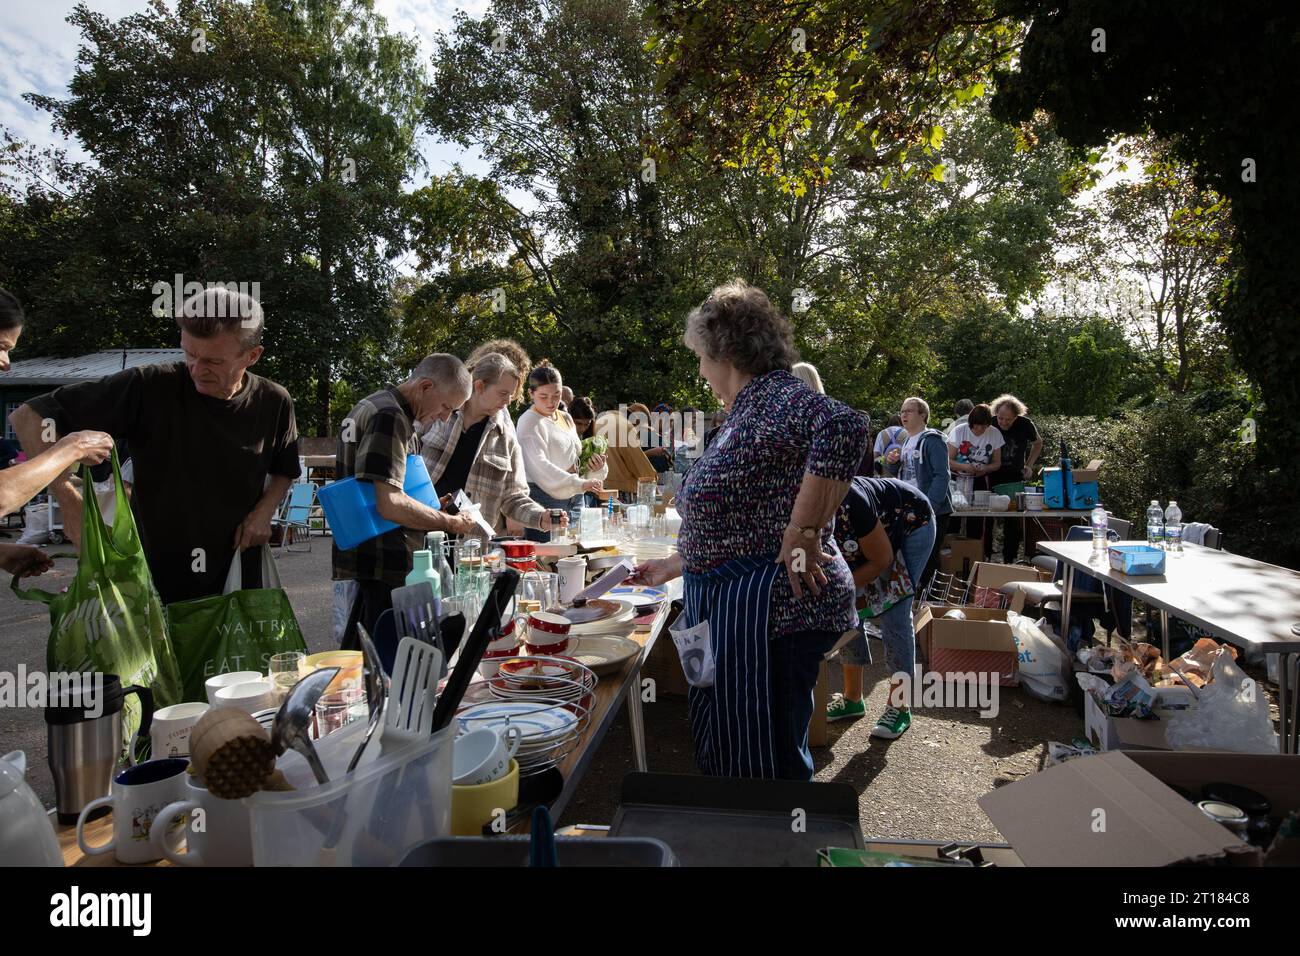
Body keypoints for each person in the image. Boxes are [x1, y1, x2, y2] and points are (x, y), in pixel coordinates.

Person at [628, 280, 869, 781]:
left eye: (699, 357)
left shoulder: (775, 400)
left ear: (724, 352)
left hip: (772, 613)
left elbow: (845, 426)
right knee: (742, 755)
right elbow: (746, 517)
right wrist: (676, 564)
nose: (699, 371)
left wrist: (804, 530)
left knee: (770, 764)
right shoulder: (748, 412)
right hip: (740, 610)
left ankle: (780, 848)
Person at [13, 287, 299, 604]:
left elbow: (284, 468)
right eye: (189, 353)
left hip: (239, 577)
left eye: (213, 361)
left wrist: (265, 511)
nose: (196, 369)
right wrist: (68, 501)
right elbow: (29, 416)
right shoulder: (148, 386)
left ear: (252, 355)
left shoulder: (274, 401)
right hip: (151, 581)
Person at [334, 354, 480, 648]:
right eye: (446, 407)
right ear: (425, 386)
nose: (444, 417)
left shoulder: (374, 404)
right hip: (382, 567)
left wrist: (429, 505)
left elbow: (376, 489)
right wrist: (450, 522)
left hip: (366, 563)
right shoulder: (390, 417)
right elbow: (389, 504)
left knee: (365, 659)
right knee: (386, 668)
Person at [825, 476, 936, 739]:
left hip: (911, 522)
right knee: (846, 608)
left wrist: (842, 590)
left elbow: (882, 559)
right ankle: (853, 699)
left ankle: (900, 706)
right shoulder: (793, 504)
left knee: (894, 612)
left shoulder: (850, 500)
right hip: (865, 537)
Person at [421, 351, 565, 540]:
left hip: (471, 550)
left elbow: (513, 497)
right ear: (479, 386)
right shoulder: (437, 414)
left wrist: (540, 517)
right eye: (503, 393)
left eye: (511, 396)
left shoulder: (506, 437)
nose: (507, 402)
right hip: (420, 537)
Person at [516, 363, 606, 542]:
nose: (551, 402)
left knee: (576, 556)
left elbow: (577, 457)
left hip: (576, 498)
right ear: (531, 394)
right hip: (546, 503)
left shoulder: (565, 417)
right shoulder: (528, 422)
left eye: (556, 396)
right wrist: (579, 482)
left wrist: (595, 466)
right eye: (543, 396)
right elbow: (540, 466)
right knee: (549, 560)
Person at [897, 396, 952, 589]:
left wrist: (930, 506)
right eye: (902, 411)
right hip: (910, 509)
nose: (904, 415)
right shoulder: (906, 441)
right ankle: (916, 598)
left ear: (923, 415)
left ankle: (930, 601)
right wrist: (890, 462)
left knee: (929, 556)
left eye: (909, 411)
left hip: (932, 509)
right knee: (911, 555)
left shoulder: (932, 440)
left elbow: (942, 475)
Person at [988, 394, 1043, 563]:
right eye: (1001, 418)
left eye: (1008, 420)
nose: (1003, 422)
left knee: (1013, 520)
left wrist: (1029, 464)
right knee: (986, 518)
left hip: (1013, 477)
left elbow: (1038, 443)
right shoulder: (989, 422)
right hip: (991, 475)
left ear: (1016, 417)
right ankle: (985, 556)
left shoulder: (1025, 424)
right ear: (996, 413)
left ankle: (1009, 559)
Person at [947, 403, 1004, 557]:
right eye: (975, 427)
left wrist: (985, 469)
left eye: (983, 427)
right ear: (970, 423)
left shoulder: (995, 433)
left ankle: (977, 554)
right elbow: (948, 460)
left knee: (978, 519)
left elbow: (997, 463)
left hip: (980, 480)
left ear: (988, 424)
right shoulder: (959, 431)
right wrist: (964, 467)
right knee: (953, 518)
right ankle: (950, 554)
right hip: (957, 478)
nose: (979, 430)